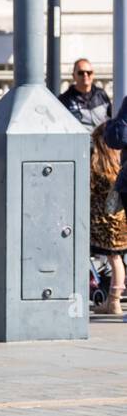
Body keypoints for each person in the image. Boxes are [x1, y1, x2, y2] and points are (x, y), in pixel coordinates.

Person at [90, 121, 127, 315]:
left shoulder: (95, 165)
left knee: (113, 259)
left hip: (101, 224)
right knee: (117, 259)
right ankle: (114, 299)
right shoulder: (118, 165)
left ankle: (113, 302)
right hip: (119, 221)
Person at [59, 58, 112, 130]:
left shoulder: (101, 94)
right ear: (74, 76)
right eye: (81, 73)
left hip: (101, 140)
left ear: (93, 74)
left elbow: (112, 118)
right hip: (79, 140)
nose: (85, 75)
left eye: (89, 72)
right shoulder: (65, 99)